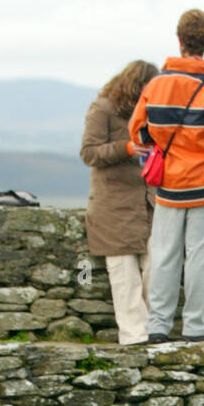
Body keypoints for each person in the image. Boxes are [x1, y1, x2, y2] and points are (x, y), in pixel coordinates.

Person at [128, 8, 204, 343]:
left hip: (168, 188)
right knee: (202, 259)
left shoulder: (155, 86)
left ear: (179, 40)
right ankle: (196, 327)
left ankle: (158, 327)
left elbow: (137, 136)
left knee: (164, 257)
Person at [80, 60, 158, 345]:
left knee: (156, 267)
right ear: (133, 86)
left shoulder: (151, 112)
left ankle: (153, 331)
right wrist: (125, 148)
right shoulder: (103, 109)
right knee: (124, 275)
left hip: (146, 203)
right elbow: (89, 152)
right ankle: (134, 337)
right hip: (112, 205)